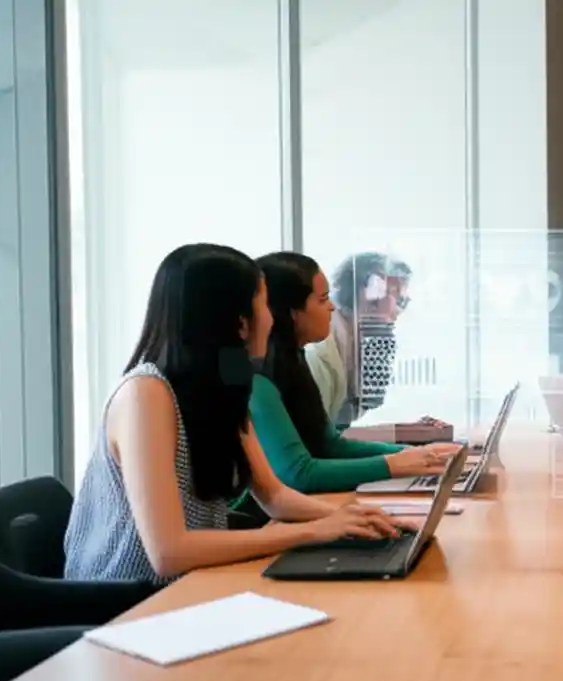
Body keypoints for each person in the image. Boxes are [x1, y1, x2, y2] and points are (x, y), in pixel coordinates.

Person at [64, 244, 410, 584]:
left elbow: (274, 496)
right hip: (126, 601)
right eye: (264, 304)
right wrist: (312, 532)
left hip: (195, 582)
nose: (272, 318)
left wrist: (356, 517)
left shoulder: (226, 382)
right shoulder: (146, 394)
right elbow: (168, 552)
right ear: (239, 321)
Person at [245, 252, 458, 500]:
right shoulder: (265, 375)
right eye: (323, 299)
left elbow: (329, 444)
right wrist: (396, 464)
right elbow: (298, 472)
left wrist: (416, 455)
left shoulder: (295, 357)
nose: (332, 306)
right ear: (292, 312)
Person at [305, 251, 414, 426]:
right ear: (370, 298)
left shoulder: (353, 344)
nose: (398, 313)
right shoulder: (320, 353)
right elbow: (320, 439)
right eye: (400, 300)